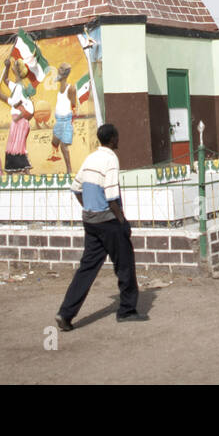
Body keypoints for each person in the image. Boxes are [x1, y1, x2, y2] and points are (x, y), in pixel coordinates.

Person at [55, 124, 146, 330]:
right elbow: (112, 196)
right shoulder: (111, 159)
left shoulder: (91, 158)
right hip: (109, 221)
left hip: (90, 221)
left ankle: (66, 313)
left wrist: (89, 208)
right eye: (117, 137)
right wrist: (122, 221)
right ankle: (127, 310)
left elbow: (76, 188)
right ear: (113, 139)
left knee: (86, 269)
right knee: (124, 264)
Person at [0, 58, 35, 174]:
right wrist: (6, 67)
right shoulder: (17, 86)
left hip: (20, 121)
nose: (12, 66)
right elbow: (5, 80)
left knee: (17, 147)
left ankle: (24, 173)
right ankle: (13, 172)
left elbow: (13, 102)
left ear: (16, 70)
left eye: (13, 65)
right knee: (14, 146)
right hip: (17, 121)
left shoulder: (20, 88)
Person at [49, 63, 78, 173]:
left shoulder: (70, 89)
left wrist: (71, 122)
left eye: (61, 68)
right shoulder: (60, 88)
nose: (58, 69)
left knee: (63, 145)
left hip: (66, 120)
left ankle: (69, 169)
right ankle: (55, 156)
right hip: (59, 121)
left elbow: (74, 106)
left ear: (65, 73)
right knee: (54, 142)